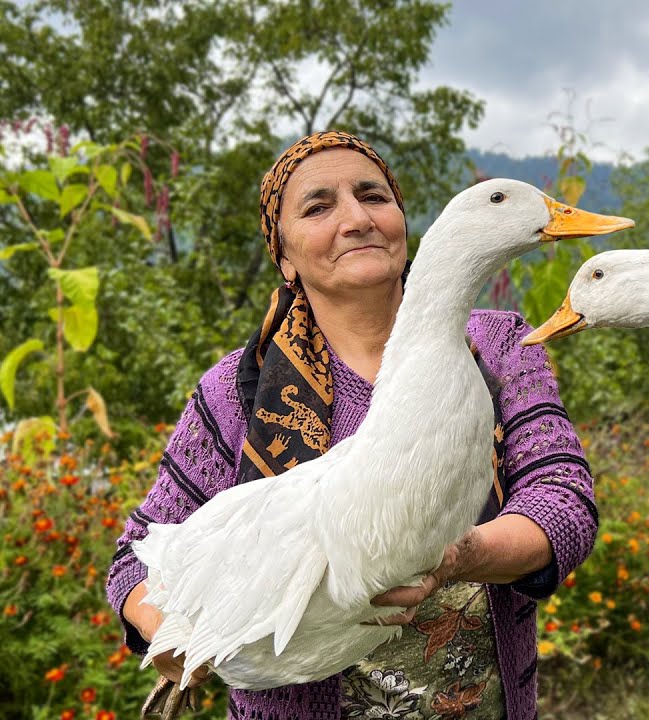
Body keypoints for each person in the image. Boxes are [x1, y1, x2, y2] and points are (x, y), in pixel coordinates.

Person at [105, 131, 597, 720]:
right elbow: (136, 559)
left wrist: (457, 557)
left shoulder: (499, 345)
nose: (356, 218)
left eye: (374, 196)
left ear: (403, 221)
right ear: (284, 255)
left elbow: (564, 503)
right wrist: (182, 636)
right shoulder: (238, 388)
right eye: (319, 206)